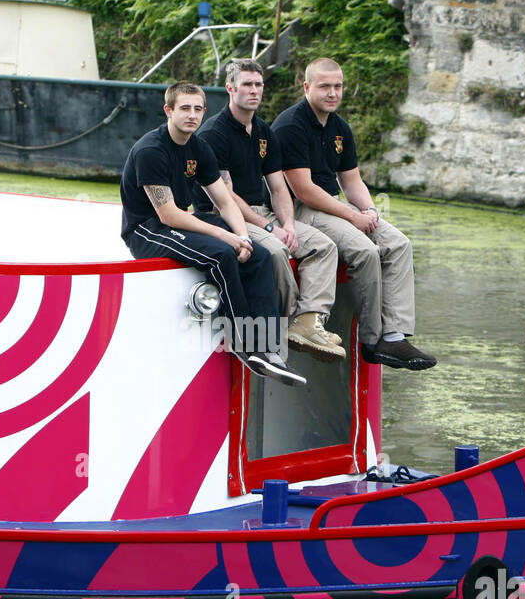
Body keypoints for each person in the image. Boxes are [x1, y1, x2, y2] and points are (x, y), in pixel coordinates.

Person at [120, 81, 306, 386]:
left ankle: (270, 349)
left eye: (197, 109)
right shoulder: (150, 151)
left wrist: (243, 235)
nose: (192, 115)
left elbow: (224, 199)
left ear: (204, 111)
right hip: (147, 230)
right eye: (184, 108)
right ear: (168, 110)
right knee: (221, 255)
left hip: (181, 221)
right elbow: (168, 214)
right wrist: (227, 238)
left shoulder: (199, 148)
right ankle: (245, 345)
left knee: (259, 255)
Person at [272, 57, 437, 371]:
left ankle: (395, 334)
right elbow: (304, 189)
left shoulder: (339, 128)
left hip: (334, 204)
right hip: (302, 208)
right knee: (365, 250)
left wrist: (369, 209)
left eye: (338, 86)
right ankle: (373, 342)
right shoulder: (290, 125)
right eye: (325, 86)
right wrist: (351, 217)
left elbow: (351, 180)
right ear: (307, 87)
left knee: (399, 244)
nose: (333, 93)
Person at [195, 59, 345, 363]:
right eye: (247, 85)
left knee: (323, 246)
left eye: (258, 85)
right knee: (276, 251)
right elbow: (225, 196)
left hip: (266, 213)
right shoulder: (214, 133)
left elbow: (279, 188)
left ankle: (308, 322)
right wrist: (268, 228)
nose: (254, 91)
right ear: (230, 88)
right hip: (225, 216)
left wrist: (288, 222)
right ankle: (287, 323)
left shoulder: (264, 132)